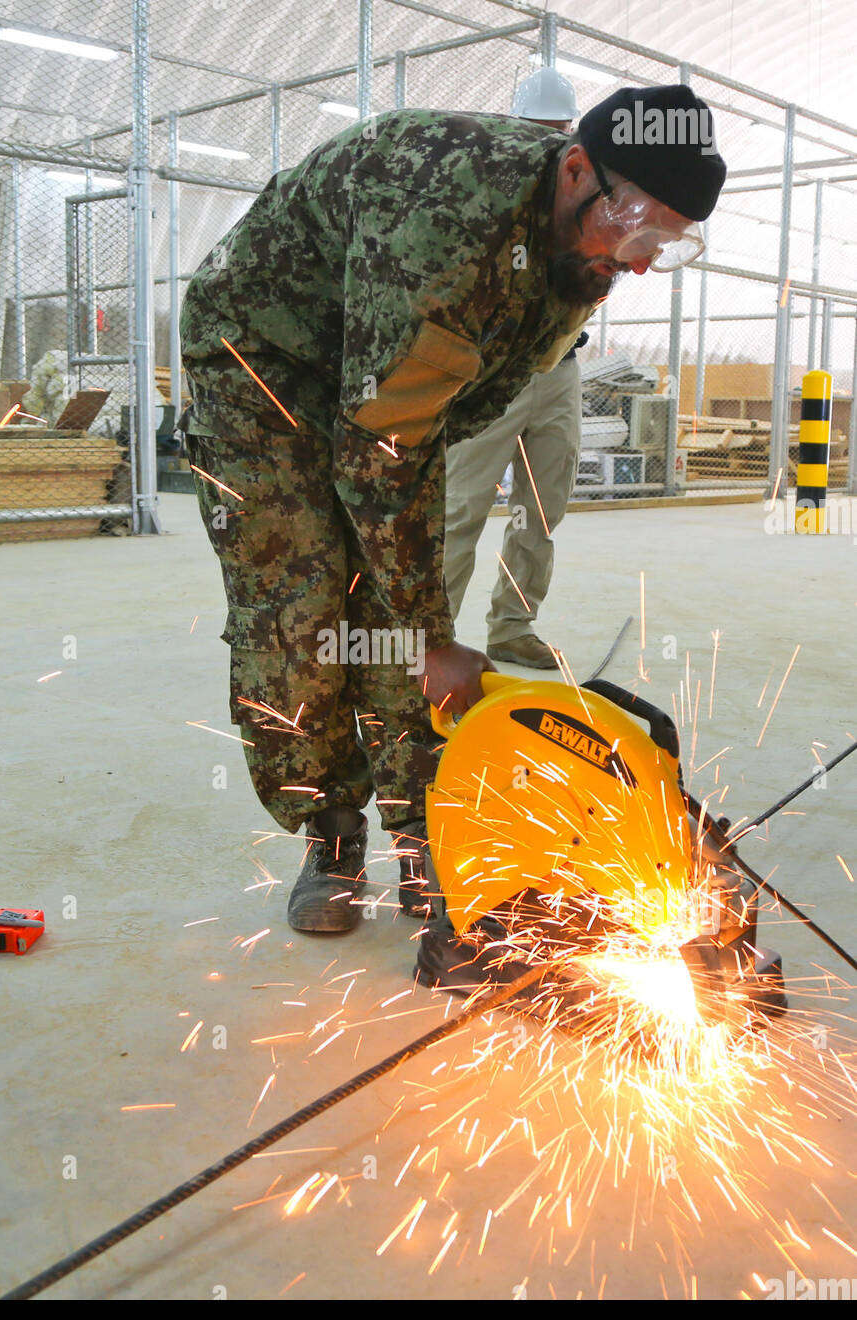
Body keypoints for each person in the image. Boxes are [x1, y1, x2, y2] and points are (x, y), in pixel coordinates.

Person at [179, 85, 726, 935]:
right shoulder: (441, 214)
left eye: (667, 242)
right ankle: (329, 834)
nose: (644, 259)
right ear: (575, 170)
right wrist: (433, 637)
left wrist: (411, 619)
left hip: (376, 374)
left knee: (386, 598)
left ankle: (418, 826)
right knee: (299, 603)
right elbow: (378, 454)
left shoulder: (583, 252)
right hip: (261, 362)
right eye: (635, 226)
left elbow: (440, 416)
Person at [443, 67, 584, 670]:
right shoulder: (485, 191)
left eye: (557, 134)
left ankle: (513, 624)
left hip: (559, 369)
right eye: (536, 131)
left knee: (542, 503)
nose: (545, 145)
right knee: (459, 505)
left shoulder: (582, 195)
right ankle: (427, 634)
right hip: (491, 368)